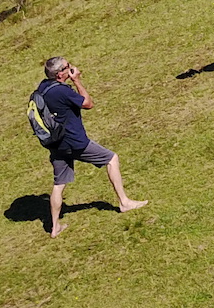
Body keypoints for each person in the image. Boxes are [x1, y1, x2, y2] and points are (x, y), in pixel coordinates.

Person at [34, 56, 146, 237]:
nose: (71, 67)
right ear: (61, 73)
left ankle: (55, 227)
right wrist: (77, 80)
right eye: (68, 67)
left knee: (59, 183)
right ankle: (124, 202)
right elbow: (87, 103)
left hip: (56, 144)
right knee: (111, 159)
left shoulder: (43, 88)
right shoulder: (61, 91)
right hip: (74, 142)